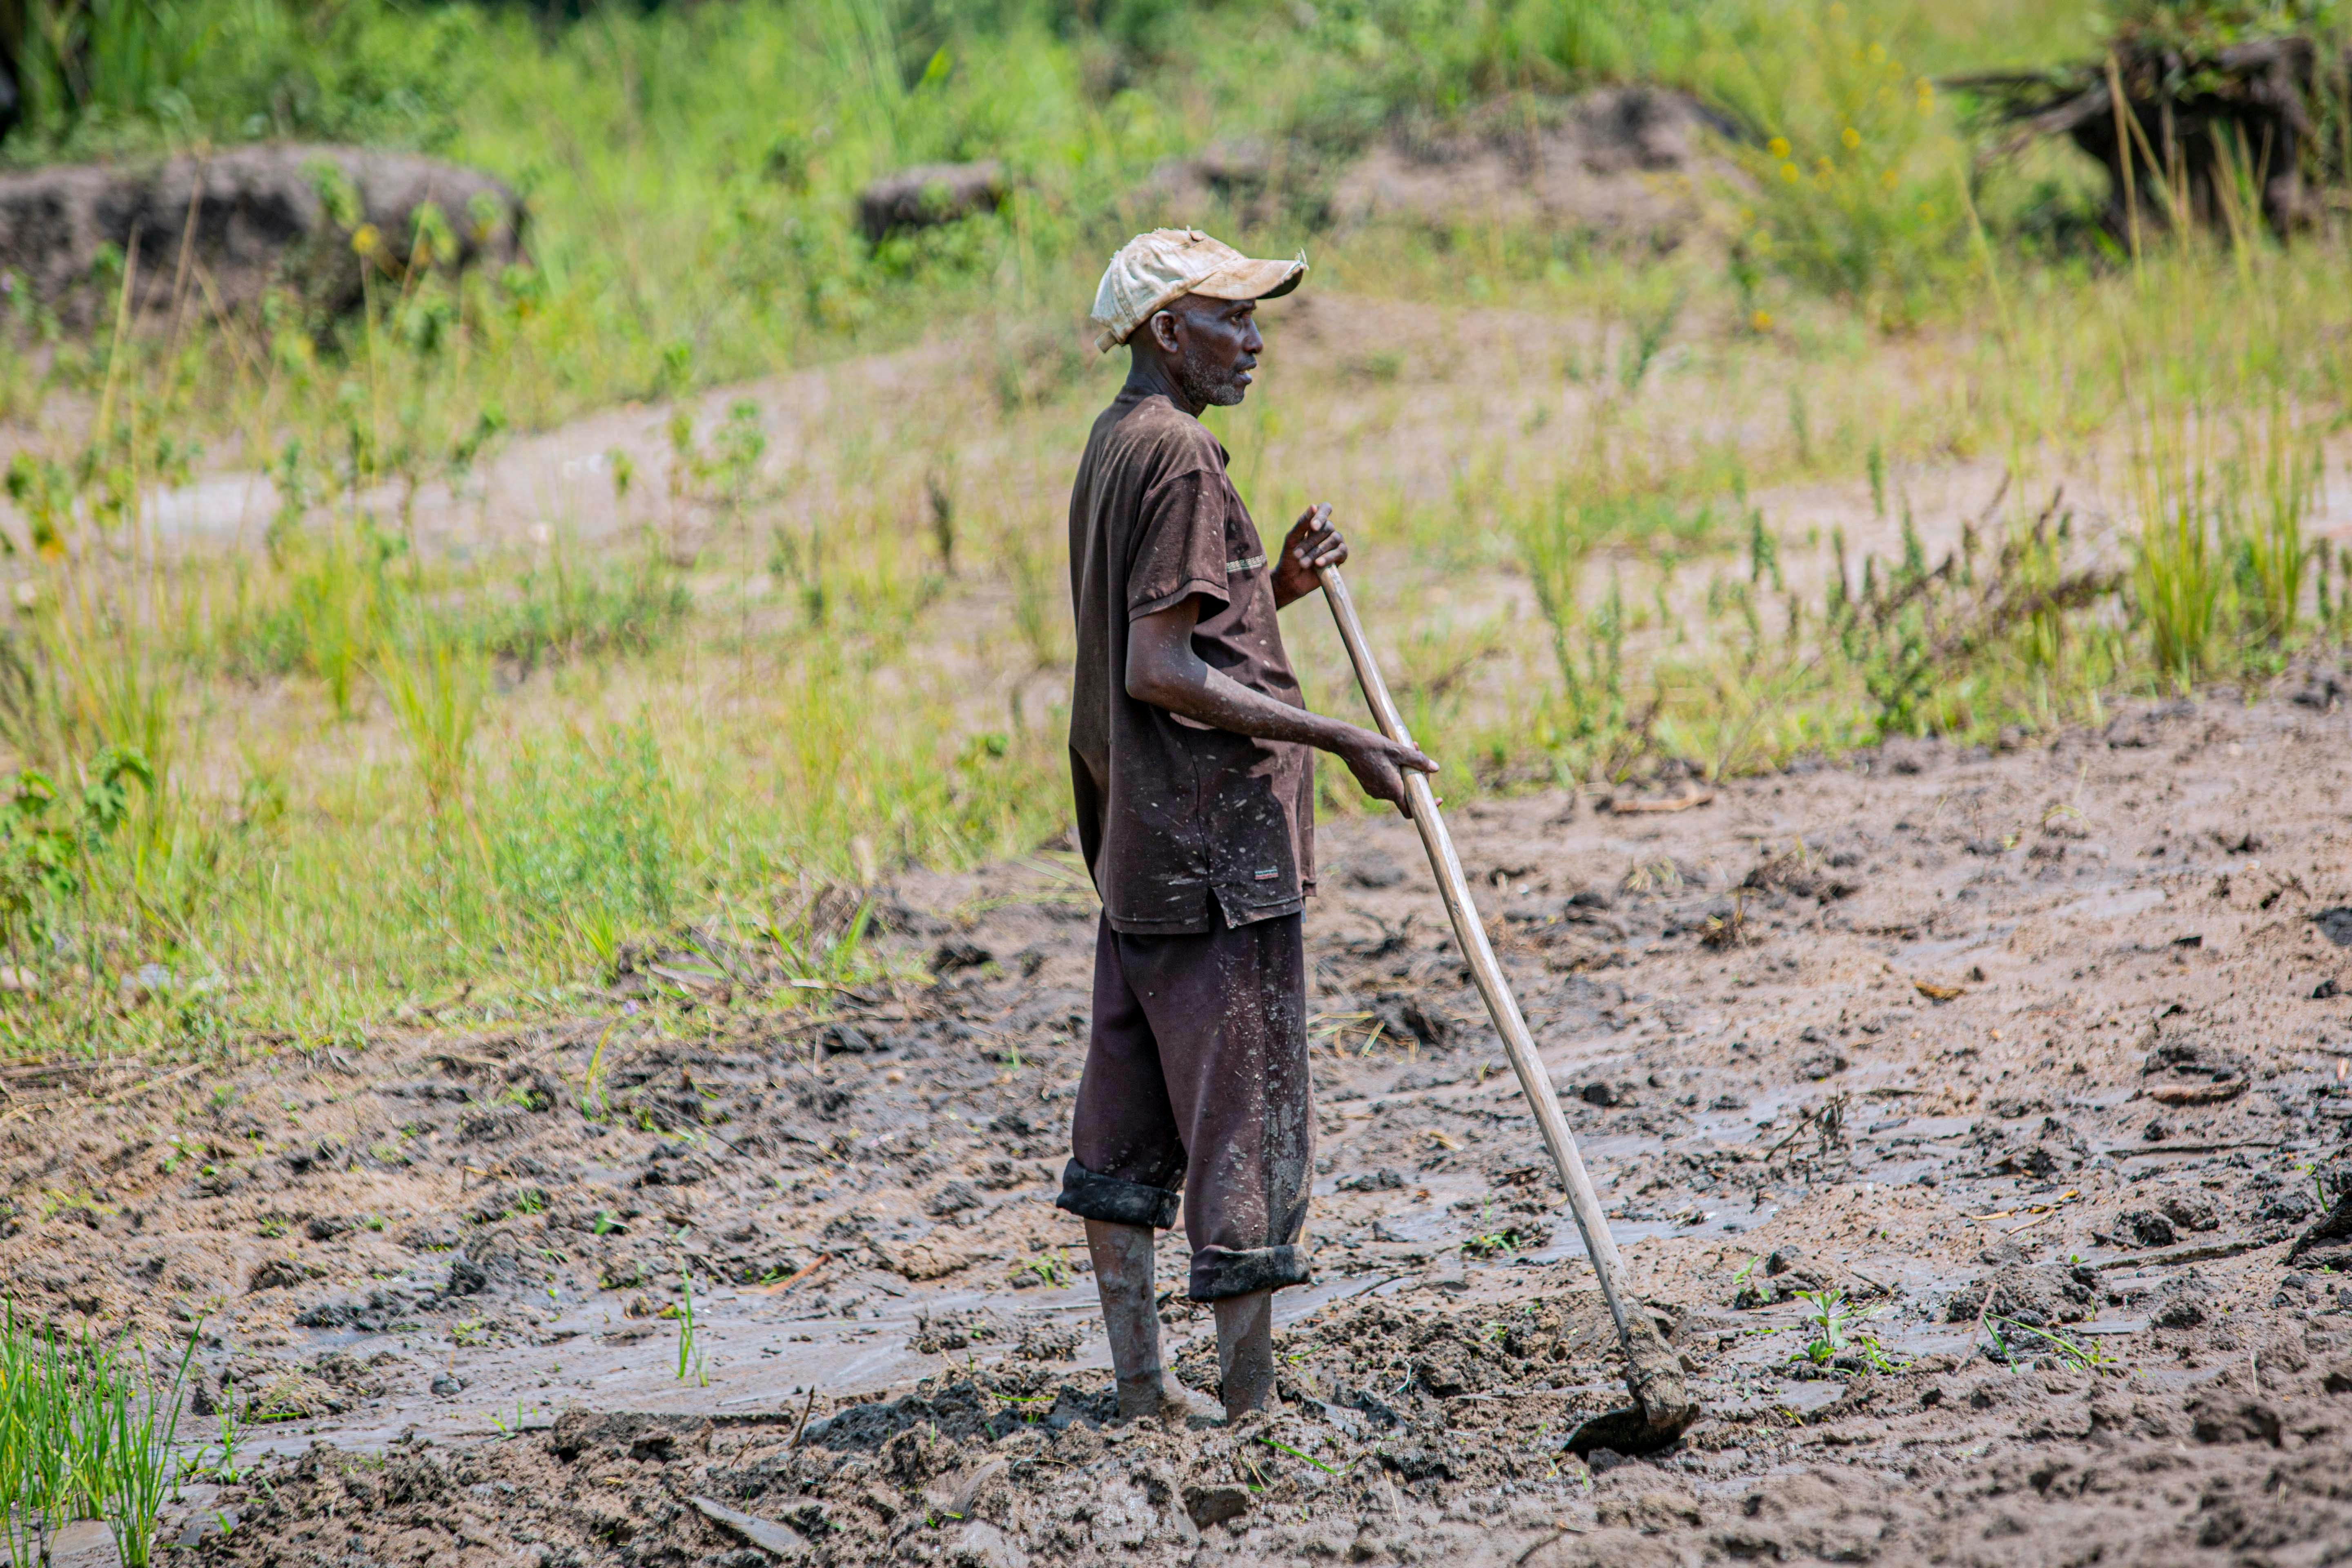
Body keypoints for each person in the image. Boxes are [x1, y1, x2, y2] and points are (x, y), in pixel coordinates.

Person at [1054, 228, 1438, 1422]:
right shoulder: (1181, 461)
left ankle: (1141, 1391)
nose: (1256, 342)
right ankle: (1252, 1409)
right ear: (1171, 331)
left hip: (1143, 850)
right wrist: (1342, 738)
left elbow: (1165, 633)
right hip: (1217, 855)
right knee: (1244, 1115)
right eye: (1234, 318)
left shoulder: (1118, 444)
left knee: (1123, 1126)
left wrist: (1272, 591)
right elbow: (1160, 668)